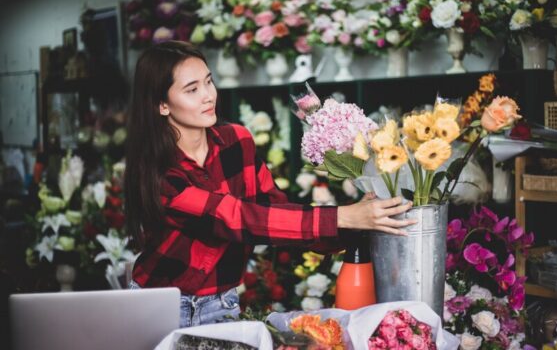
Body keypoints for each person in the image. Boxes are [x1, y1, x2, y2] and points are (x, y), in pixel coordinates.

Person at [124, 41, 414, 328]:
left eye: (209, 82)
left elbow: (274, 210)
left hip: (221, 302)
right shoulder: (158, 171)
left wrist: (353, 230)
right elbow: (236, 219)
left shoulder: (236, 140)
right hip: (161, 306)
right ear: (162, 105)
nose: (208, 96)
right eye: (192, 89)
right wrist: (343, 216)